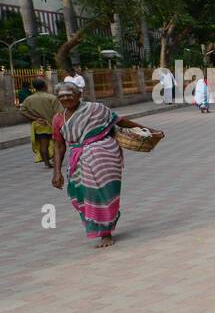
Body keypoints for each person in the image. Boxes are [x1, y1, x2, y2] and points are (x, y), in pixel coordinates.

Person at [50, 81, 161, 248]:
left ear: (79, 95)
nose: (65, 98)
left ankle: (105, 232)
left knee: (102, 194)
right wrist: (56, 171)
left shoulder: (96, 109)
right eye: (61, 96)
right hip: (77, 160)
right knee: (81, 194)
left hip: (104, 156)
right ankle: (100, 224)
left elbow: (120, 121)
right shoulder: (58, 119)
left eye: (69, 94)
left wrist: (148, 130)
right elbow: (59, 145)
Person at [16, 77, 60, 167]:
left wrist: (35, 118)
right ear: (45, 86)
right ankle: (56, 161)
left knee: (43, 145)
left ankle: (47, 163)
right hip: (52, 124)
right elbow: (59, 112)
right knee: (56, 144)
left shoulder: (29, 99)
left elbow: (22, 111)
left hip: (39, 125)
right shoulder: (52, 98)